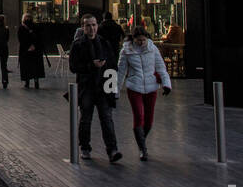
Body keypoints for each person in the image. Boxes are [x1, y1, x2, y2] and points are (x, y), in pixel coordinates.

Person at [69, 13, 123, 163]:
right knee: (86, 119)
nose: (92, 28)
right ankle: (85, 147)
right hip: (86, 87)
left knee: (107, 119)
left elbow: (112, 65)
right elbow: (73, 67)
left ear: (97, 26)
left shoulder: (104, 43)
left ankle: (112, 150)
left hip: (103, 87)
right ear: (83, 27)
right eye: (88, 25)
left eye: (93, 25)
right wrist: (90, 65)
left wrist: (113, 88)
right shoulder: (78, 45)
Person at [117, 23, 172, 160]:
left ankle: (141, 140)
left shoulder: (152, 49)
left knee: (149, 120)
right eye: (138, 40)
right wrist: (115, 91)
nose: (141, 43)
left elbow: (160, 67)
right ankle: (143, 148)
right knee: (139, 116)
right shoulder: (126, 51)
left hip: (151, 86)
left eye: (143, 40)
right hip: (134, 87)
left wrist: (166, 84)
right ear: (133, 39)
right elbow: (121, 72)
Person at [17, 13, 45, 88]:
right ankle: (36, 81)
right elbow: (40, 38)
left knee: (26, 66)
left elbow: (20, 39)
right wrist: (34, 46)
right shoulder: (36, 26)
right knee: (35, 67)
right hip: (36, 51)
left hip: (25, 50)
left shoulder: (21, 27)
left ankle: (27, 82)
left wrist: (27, 47)